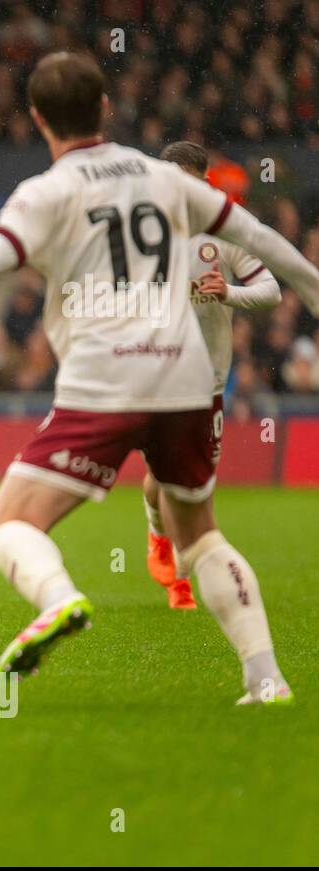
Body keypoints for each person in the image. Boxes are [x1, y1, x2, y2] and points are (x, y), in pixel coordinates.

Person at [0, 52, 319, 705]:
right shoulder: (166, 179)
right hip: (185, 376)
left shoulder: (47, 192)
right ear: (105, 107)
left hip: (104, 378)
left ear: (38, 118)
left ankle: (60, 597)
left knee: (10, 525)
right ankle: (265, 678)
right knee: (201, 535)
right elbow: (262, 241)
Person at [143, 141, 280, 610]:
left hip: (210, 380)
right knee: (165, 474)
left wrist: (229, 293)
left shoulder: (225, 239)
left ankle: (172, 553)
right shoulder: (143, 236)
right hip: (158, 371)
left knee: (196, 477)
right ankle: (171, 561)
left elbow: (271, 291)